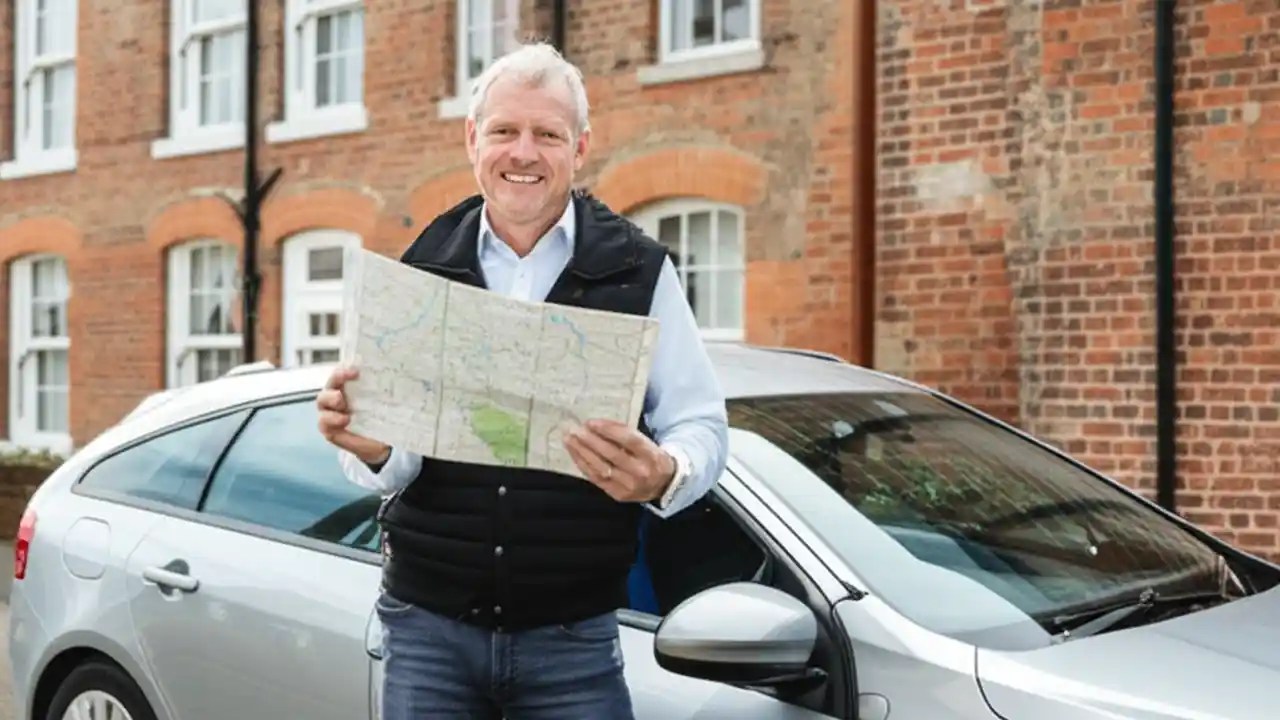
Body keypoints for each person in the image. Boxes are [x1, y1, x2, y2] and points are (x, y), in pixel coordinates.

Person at [315, 41, 729, 720]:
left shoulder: (641, 271)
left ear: (581, 147)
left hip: (573, 642)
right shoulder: (418, 271)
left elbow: (702, 425)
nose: (524, 153)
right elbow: (399, 457)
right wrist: (370, 446)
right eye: (505, 131)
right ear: (473, 138)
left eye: (547, 134)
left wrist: (666, 473)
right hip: (428, 633)